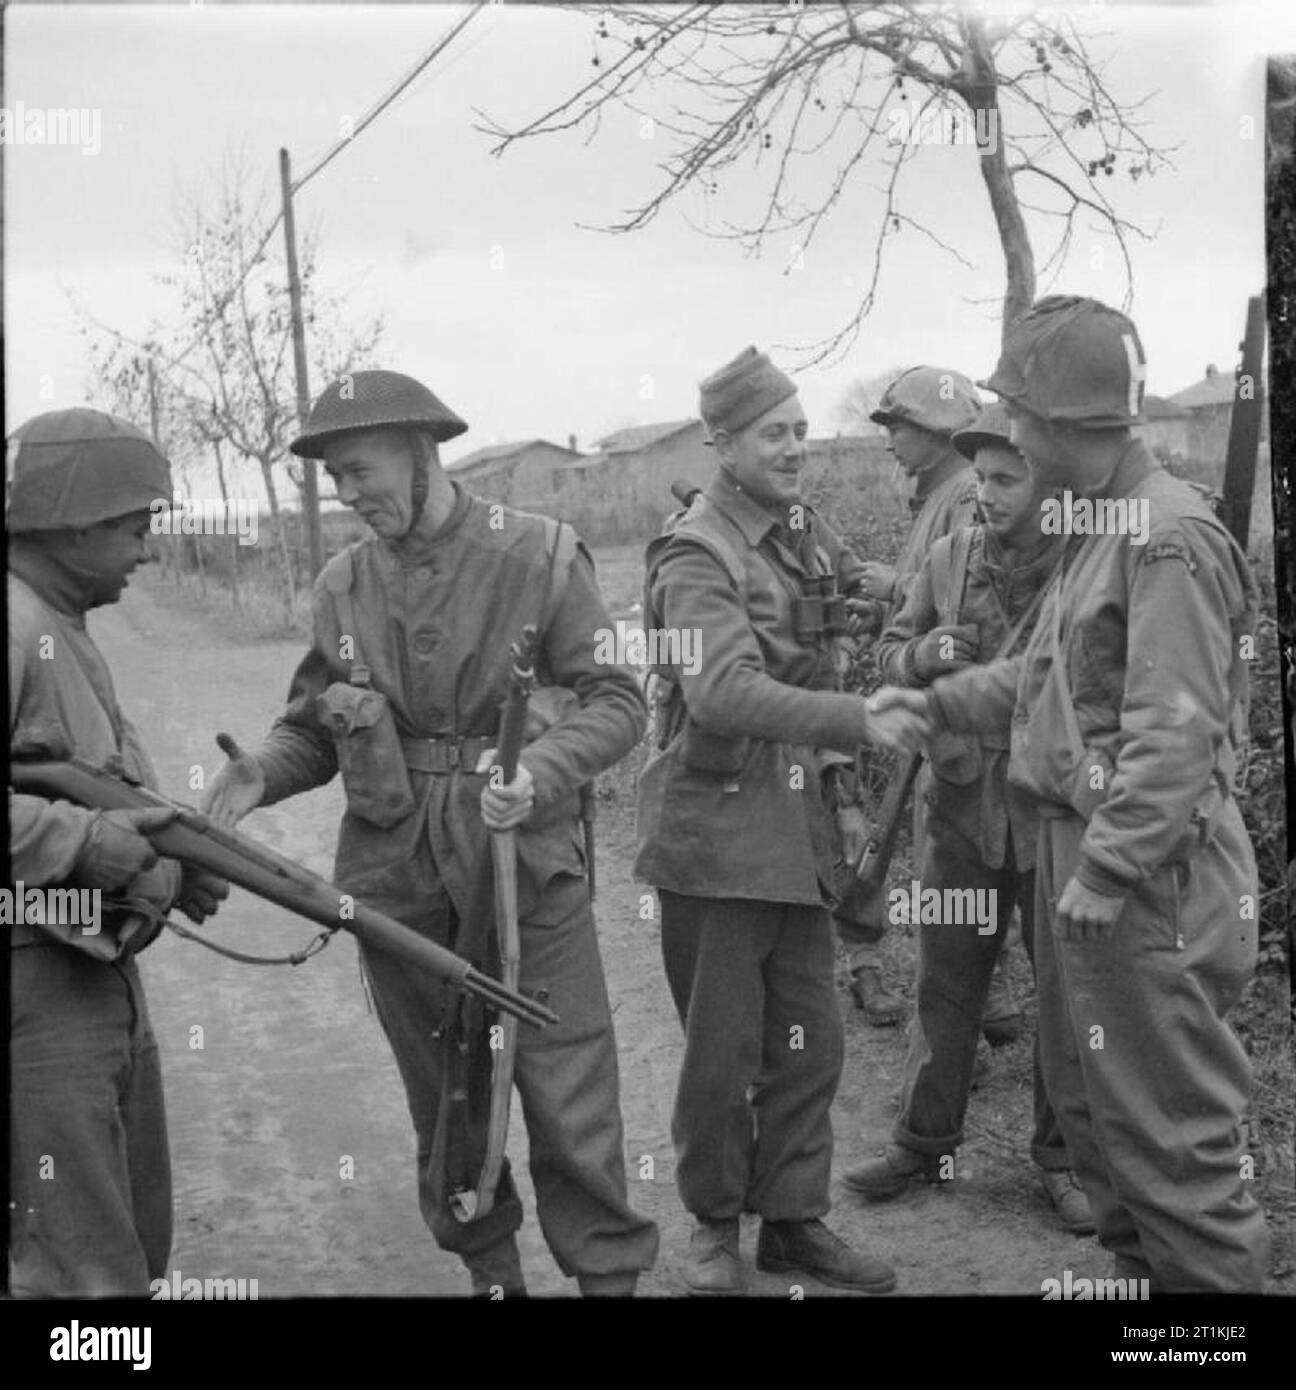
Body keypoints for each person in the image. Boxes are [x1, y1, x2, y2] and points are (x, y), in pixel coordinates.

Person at [203, 370, 658, 1297]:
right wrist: (262, 770)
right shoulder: (342, 583)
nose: (348, 495)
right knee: (444, 1093)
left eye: (359, 471)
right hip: (396, 875)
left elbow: (618, 701)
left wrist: (541, 772)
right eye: (334, 480)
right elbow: (311, 726)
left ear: (421, 453)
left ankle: (609, 1279)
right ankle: (492, 1275)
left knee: (568, 1091)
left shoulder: (541, 556)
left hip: (523, 865)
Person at [890, 296, 1268, 1292]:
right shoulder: (1102, 523)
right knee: (1103, 1133)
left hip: (1145, 880)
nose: (1003, 435)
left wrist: (1104, 867)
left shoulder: (1169, 537)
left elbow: (1176, 731)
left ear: (1059, 423)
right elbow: (1047, 676)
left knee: (1171, 1147)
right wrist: (935, 704)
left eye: (1015, 414)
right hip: (1091, 859)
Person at [635, 345, 928, 1297]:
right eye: (774, 433)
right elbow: (719, 692)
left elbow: (848, 603)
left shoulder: (798, 528)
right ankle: (714, 1228)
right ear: (723, 443)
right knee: (723, 1053)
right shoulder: (695, 551)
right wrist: (855, 721)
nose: (795, 447)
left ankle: (794, 1223)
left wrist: (928, 592)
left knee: (811, 1040)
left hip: (795, 828)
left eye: (801, 430)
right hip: (716, 836)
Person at [842, 403, 1093, 1235]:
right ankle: (924, 1143)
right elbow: (886, 652)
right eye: (979, 477)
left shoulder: (1086, 565)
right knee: (942, 985)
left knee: (1062, 992)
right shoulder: (949, 557)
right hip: (955, 806)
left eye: (1004, 478)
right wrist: (918, 656)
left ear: (1047, 482)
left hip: (1050, 814)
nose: (984, 493)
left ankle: (1064, 1162)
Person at [8, 408, 228, 1296]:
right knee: (78, 1268)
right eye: (137, 527)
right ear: (72, 521)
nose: (146, 552)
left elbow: (93, 781)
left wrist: (171, 858)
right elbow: (77, 819)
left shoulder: (55, 621)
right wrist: (86, 842)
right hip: (34, 981)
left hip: (86, 968)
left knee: (125, 1241)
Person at [844, 365, 1025, 1033]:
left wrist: (904, 610)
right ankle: (977, 996)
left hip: (971, 723)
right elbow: (923, 612)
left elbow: (963, 613)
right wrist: (903, 626)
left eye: (899, 425)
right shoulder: (935, 498)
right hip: (943, 720)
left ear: (935, 433)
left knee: (963, 862)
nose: (890, 438)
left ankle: (984, 993)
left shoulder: (961, 499)